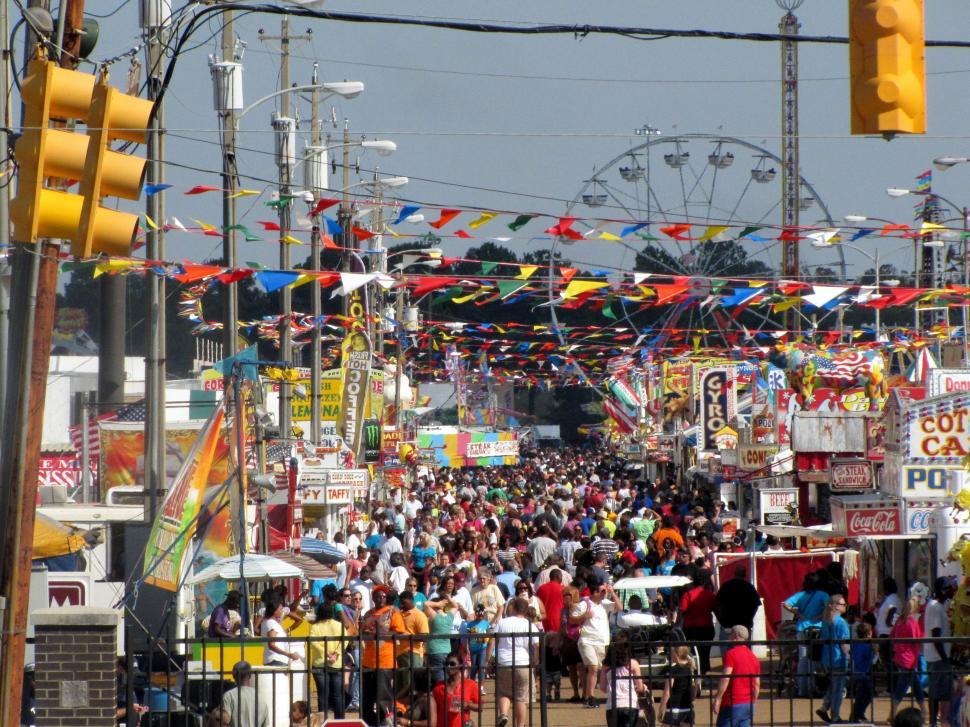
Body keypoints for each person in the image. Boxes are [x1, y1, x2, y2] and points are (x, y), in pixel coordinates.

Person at [360, 585, 406, 727]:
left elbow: (399, 632)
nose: (381, 598)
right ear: (373, 598)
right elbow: (361, 632)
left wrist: (379, 634)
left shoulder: (393, 612)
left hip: (386, 662)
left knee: (383, 699)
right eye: (378, 596)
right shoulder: (368, 614)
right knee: (366, 700)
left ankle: (386, 724)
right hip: (368, 661)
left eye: (383, 596)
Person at [490, 597, 541, 727]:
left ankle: (503, 714)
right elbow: (536, 645)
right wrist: (536, 659)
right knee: (521, 697)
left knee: (504, 692)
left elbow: (492, 641)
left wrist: (489, 659)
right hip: (523, 662)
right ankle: (520, 725)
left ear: (513, 608)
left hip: (504, 662)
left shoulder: (502, 623)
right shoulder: (530, 625)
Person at [571, 579, 620, 708]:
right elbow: (572, 619)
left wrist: (612, 592)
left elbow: (619, 607)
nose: (604, 593)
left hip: (602, 641)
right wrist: (584, 616)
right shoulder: (585, 603)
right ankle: (591, 696)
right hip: (587, 640)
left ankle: (587, 697)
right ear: (594, 593)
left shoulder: (604, 604)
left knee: (596, 670)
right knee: (592, 667)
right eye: (601, 591)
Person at [712, 625, 760, 727]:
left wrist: (718, 698)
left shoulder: (731, 654)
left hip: (732, 701)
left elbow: (725, 678)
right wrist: (754, 701)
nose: (729, 637)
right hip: (747, 703)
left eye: (731, 634)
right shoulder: (753, 657)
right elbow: (756, 684)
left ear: (736, 636)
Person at [925, 577, 956, 727]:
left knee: (939, 691)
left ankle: (936, 721)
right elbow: (935, 634)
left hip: (939, 656)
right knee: (936, 692)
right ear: (943, 590)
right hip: (938, 657)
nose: (953, 590)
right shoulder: (935, 607)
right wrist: (944, 657)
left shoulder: (938, 607)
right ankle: (933, 722)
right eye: (950, 588)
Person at [816, 594, 850, 724]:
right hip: (838, 658)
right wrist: (849, 657)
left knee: (834, 685)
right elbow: (844, 644)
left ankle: (824, 707)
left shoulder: (826, 621)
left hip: (827, 657)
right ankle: (835, 715)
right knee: (838, 688)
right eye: (842, 604)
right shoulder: (841, 622)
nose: (845, 606)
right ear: (836, 606)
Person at [309, 601, 346, 719]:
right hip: (336, 662)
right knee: (338, 695)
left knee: (323, 695)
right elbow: (345, 640)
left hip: (320, 663)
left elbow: (313, 642)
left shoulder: (315, 627)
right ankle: (340, 721)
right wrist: (336, 653)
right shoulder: (339, 625)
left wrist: (325, 653)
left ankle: (323, 721)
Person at [890, 596, 925, 719]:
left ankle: (924, 710)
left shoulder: (900, 621)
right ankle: (893, 712)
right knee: (903, 685)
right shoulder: (912, 623)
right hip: (909, 659)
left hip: (900, 657)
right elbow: (917, 641)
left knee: (915, 684)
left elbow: (892, 636)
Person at [600, 640, 647, 727]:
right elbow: (640, 687)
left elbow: (603, 687)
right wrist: (644, 688)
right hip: (630, 703)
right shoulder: (632, 663)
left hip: (612, 704)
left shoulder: (606, 666)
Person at [679, 570, 717, 675]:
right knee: (704, 652)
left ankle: (693, 672)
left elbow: (682, 612)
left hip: (690, 628)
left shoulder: (687, 595)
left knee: (691, 652)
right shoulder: (709, 595)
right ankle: (703, 672)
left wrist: (676, 626)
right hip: (706, 628)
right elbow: (717, 611)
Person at [431, 655, 481, 727]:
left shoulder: (470, 684)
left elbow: (480, 707)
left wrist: (468, 705)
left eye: (452, 664)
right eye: (446, 664)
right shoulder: (438, 687)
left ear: (460, 667)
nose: (448, 666)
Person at [396, 590, 429, 698]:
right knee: (400, 687)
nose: (402, 605)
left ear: (411, 601)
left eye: (404, 602)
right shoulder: (399, 614)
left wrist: (406, 636)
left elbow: (424, 637)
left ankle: (412, 711)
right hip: (399, 654)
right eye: (401, 603)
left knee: (410, 686)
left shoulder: (419, 615)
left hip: (413, 653)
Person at [218, 661, 269, 727]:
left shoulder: (229, 696)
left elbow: (223, 722)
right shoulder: (260, 697)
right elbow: (265, 723)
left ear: (234, 676)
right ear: (250, 676)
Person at [714, 565, 761, 635]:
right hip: (744, 625)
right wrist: (750, 618)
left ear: (734, 573)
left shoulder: (726, 586)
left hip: (728, 624)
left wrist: (721, 620)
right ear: (745, 574)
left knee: (726, 645)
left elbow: (716, 604)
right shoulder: (749, 587)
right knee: (743, 645)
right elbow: (756, 605)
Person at [658, 645, 695, 727]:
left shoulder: (673, 669)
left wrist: (661, 708)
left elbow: (667, 692)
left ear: (677, 654)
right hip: (688, 707)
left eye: (672, 653)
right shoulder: (690, 669)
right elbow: (693, 691)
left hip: (674, 707)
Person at [849, 621, 876, 723]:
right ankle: (856, 714)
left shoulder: (856, 644)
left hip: (857, 672)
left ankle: (858, 713)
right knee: (865, 696)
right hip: (865, 673)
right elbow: (872, 661)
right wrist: (875, 652)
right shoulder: (867, 646)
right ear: (868, 633)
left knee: (862, 695)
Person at [459, 604, 492, 686]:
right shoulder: (470, 625)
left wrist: (485, 641)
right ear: (475, 614)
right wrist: (467, 647)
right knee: (473, 668)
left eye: (482, 614)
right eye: (478, 614)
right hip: (473, 649)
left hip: (482, 649)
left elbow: (488, 635)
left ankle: (481, 686)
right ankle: (472, 684)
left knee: (481, 667)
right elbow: (468, 637)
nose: (480, 616)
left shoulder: (486, 624)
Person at [261, 600, 301, 666]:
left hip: (277, 660)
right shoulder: (271, 624)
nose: (282, 611)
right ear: (275, 611)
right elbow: (271, 645)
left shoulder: (269, 622)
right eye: (280, 609)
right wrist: (289, 655)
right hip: (276, 660)